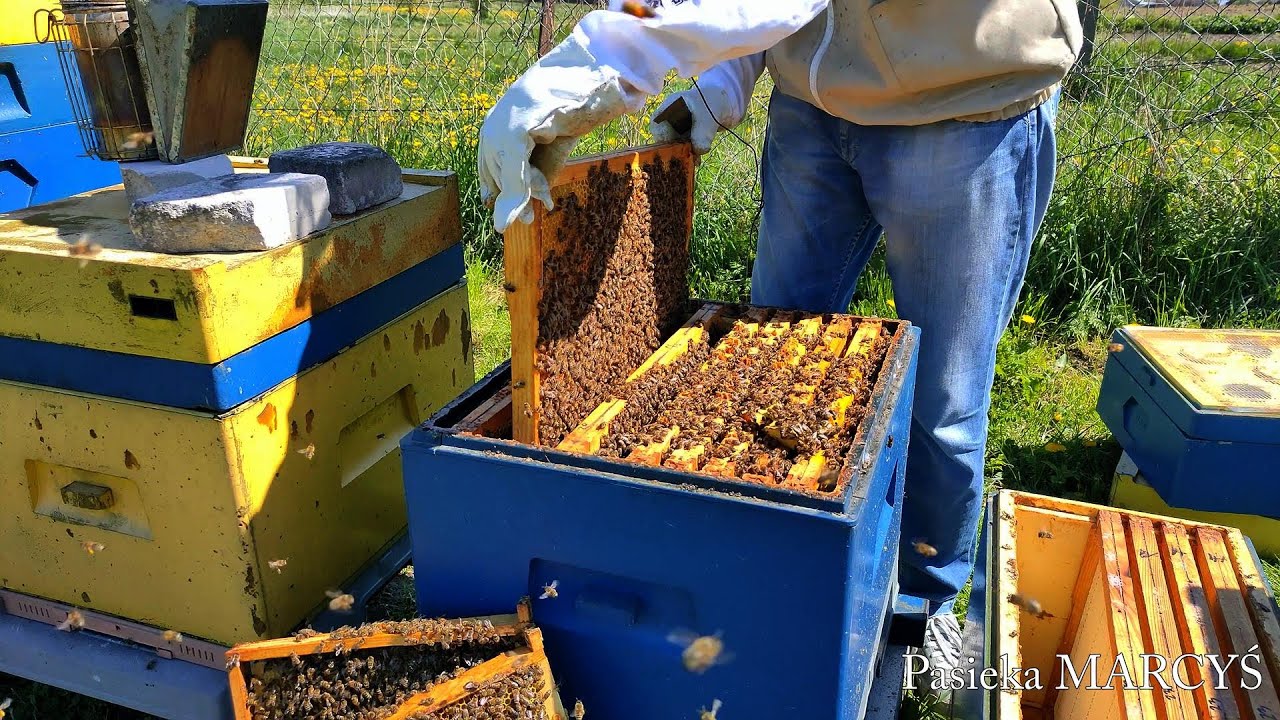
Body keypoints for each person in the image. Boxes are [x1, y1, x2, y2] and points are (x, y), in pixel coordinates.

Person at [478, 0, 1082, 688]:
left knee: (943, 400)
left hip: (964, 103)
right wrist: (719, 82)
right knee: (757, 371)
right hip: (812, 110)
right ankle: (777, 573)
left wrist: (601, 61)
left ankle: (926, 601)